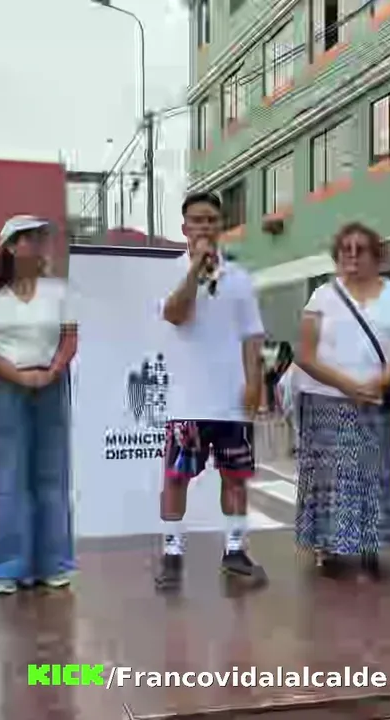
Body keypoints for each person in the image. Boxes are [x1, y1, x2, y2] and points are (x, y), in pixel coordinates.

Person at [294, 222, 390, 579]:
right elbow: (305, 355)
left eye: (360, 249)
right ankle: (328, 546)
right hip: (326, 399)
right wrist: (348, 386)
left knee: (372, 475)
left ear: (376, 256)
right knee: (330, 478)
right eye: (345, 249)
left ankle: (369, 546)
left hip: (374, 399)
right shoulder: (322, 296)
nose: (352, 255)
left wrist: (380, 382)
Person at [155, 191, 266, 591]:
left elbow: (252, 336)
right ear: (184, 227)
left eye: (211, 220)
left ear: (221, 226)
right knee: (177, 479)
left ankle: (234, 551)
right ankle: (171, 553)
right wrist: (194, 270)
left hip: (231, 400)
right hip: (187, 401)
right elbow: (175, 314)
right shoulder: (169, 271)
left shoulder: (240, 278)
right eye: (197, 220)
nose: (204, 227)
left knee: (235, 478)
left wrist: (254, 383)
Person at [0, 215, 77, 595]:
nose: (38, 244)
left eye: (41, 238)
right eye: (30, 238)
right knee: (10, 477)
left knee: (51, 474)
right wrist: (16, 375)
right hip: (5, 387)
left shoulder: (58, 291)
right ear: (10, 246)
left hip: (51, 385)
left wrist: (52, 370)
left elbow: (69, 338)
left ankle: (54, 563)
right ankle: (7, 568)